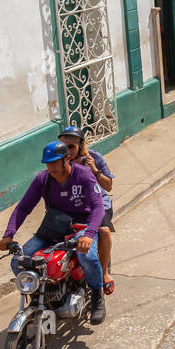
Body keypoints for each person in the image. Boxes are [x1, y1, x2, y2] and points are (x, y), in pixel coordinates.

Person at [0, 140, 108, 322]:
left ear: (67, 158)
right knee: (19, 261)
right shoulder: (42, 179)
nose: (51, 167)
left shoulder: (84, 175)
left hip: (81, 227)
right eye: (48, 163)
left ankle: (97, 296)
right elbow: (23, 208)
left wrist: (89, 235)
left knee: (86, 256)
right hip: (54, 226)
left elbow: (98, 207)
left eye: (55, 162)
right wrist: (8, 235)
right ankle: (41, 295)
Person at [58, 125, 116, 293]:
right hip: (73, 205)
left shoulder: (94, 158)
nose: (68, 151)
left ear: (80, 145)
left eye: (71, 147)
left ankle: (104, 273)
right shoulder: (60, 161)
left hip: (98, 204)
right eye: (64, 147)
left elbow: (109, 186)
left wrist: (95, 171)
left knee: (103, 231)